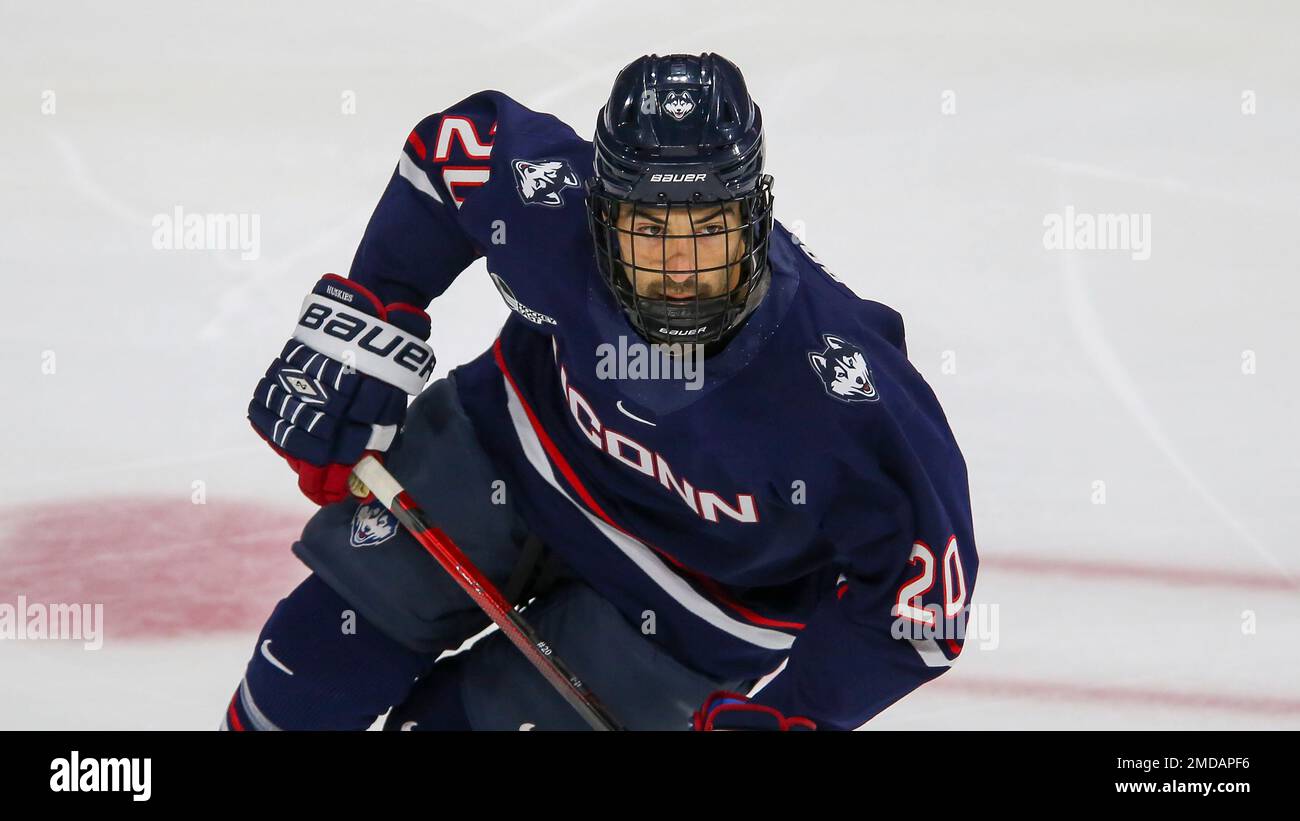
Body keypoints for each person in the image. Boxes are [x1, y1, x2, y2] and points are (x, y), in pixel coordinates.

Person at [224, 52, 978, 731]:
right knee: (307, 675)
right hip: (510, 454)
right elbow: (452, 151)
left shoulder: (842, 390)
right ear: (601, 210)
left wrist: (795, 716)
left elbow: (923, 605)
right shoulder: (555, 209)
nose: (679, 266)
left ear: (754, 214)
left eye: (707, 227)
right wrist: (370, 317)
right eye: (650, 228)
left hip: (696, 604)